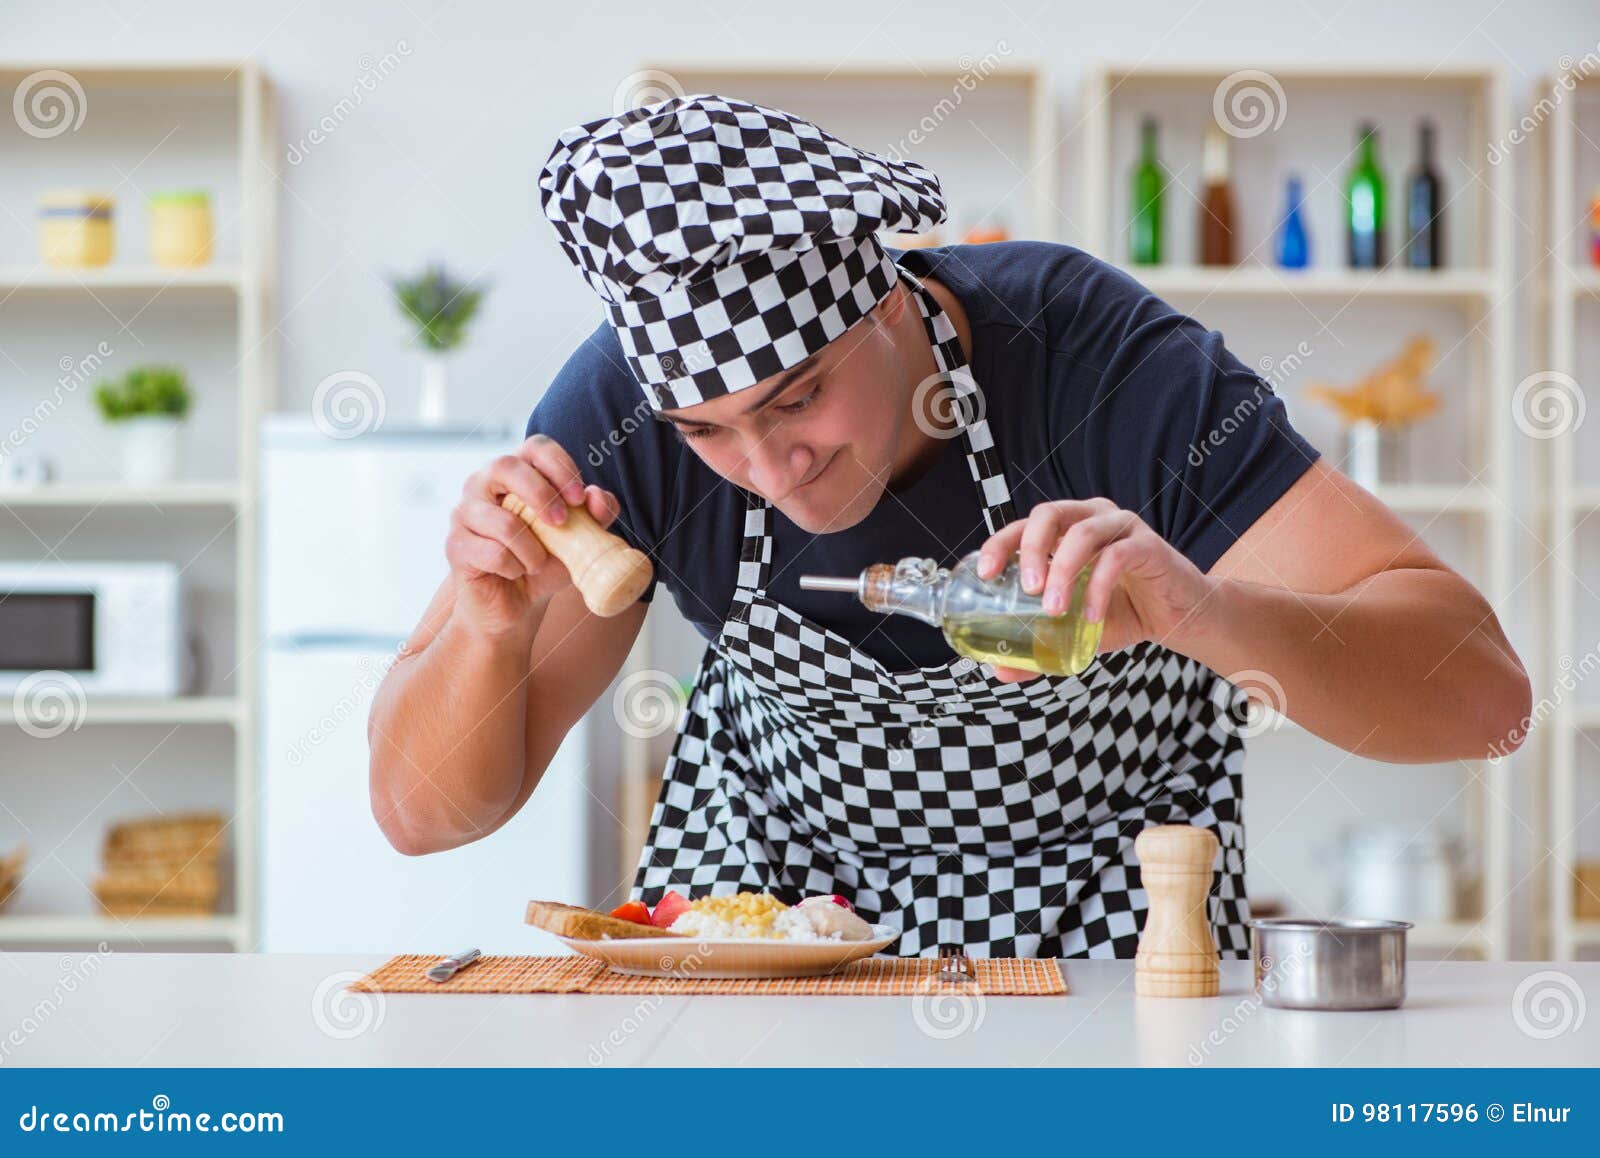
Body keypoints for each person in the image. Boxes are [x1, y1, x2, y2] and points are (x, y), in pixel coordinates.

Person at [369, 94, 1530, 958]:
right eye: (709, 434)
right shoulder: (617, 426)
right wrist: (486, 628)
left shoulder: (1098, 365)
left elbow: (1485, 703)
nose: (770, 471)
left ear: (885, 294)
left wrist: (1202, 609)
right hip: (763, 957)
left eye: (799, 398)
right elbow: (420, 816)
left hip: (1103, 964)